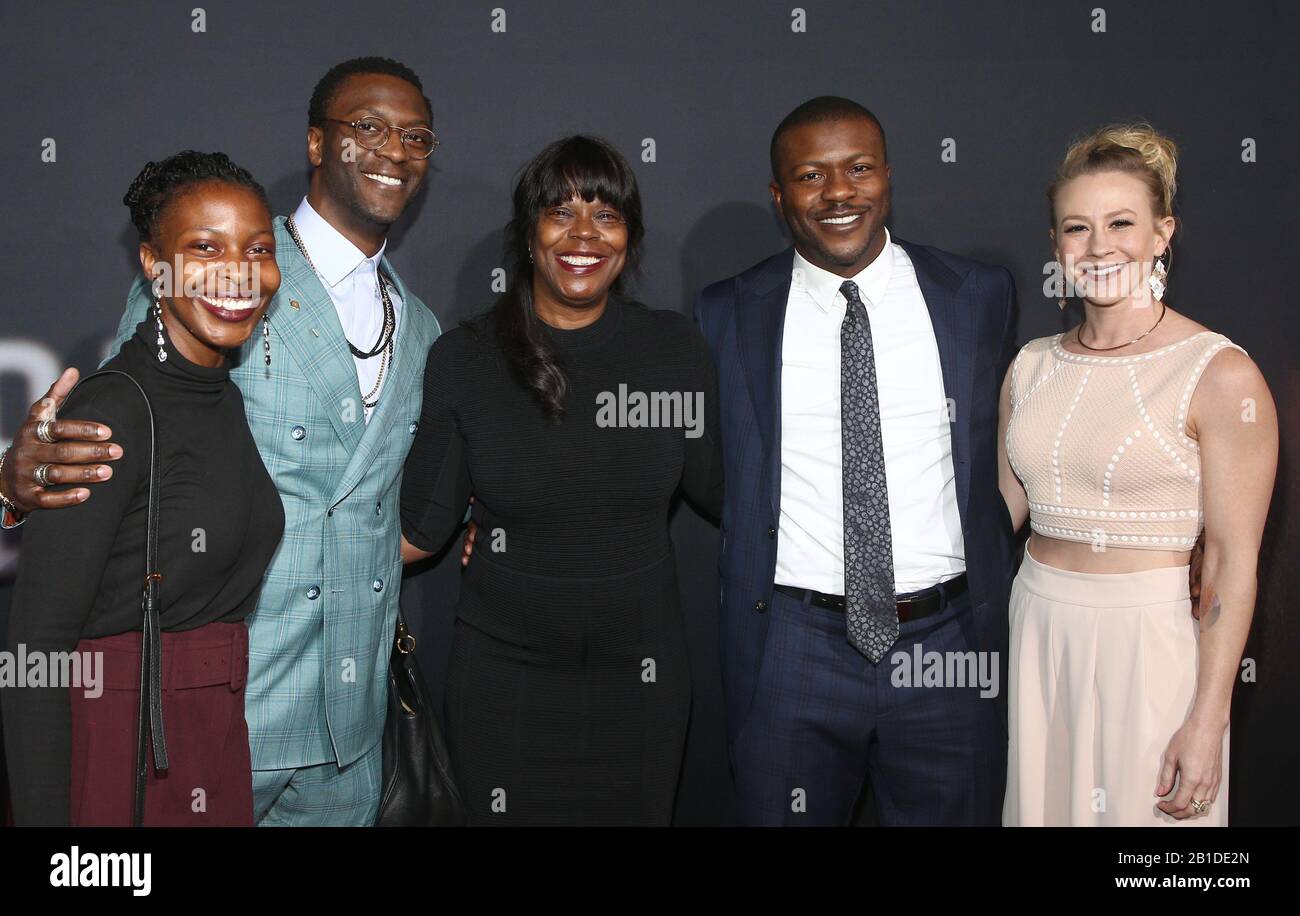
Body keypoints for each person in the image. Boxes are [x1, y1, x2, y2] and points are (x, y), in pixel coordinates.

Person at [0, 57, 443, 826]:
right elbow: (112, 448)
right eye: (365, 128)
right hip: (213, 714)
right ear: (315, 142)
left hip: (350, 728)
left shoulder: (424, 327)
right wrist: (12, 489)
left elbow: (381, 508)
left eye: (415, 136)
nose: (392, 150)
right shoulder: (208, 262)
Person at [694, 96, 1017, 826]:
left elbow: (1020, 441)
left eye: (859, 168)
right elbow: (710, 470)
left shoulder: (977, 296)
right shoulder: (725, 312)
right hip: (791, 647)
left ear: (889, 178)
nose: (839, 192)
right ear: (779, 197)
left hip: (950, 644)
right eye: (810, 175)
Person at [399, 135, 723, 825]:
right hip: (504, 678)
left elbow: (723, 491)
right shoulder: (466, 358)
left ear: (630, 238)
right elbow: (422, 528)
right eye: (560, 212)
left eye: (606, 215)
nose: (583, 234)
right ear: (528, 233)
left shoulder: (675, 351)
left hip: (642, 677)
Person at [999, 124, 1277, 826]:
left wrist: (1208, 721)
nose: (1098, 247)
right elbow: (995, 516)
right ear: (1057, 244)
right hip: (1039, 628)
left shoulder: (1219, 372)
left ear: (1162, 234)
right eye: (1076, 227)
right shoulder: (1029, 366)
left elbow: (1232, 563)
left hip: (1150, 646)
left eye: (1121, 222)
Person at [2, 152, 284, 825]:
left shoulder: (224, 399)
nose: (239, 271)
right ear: (154, 265)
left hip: (208, 745)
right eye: (205, 247)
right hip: (119, 757)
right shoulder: (112, 412)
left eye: (259, 248)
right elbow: (35, 651)